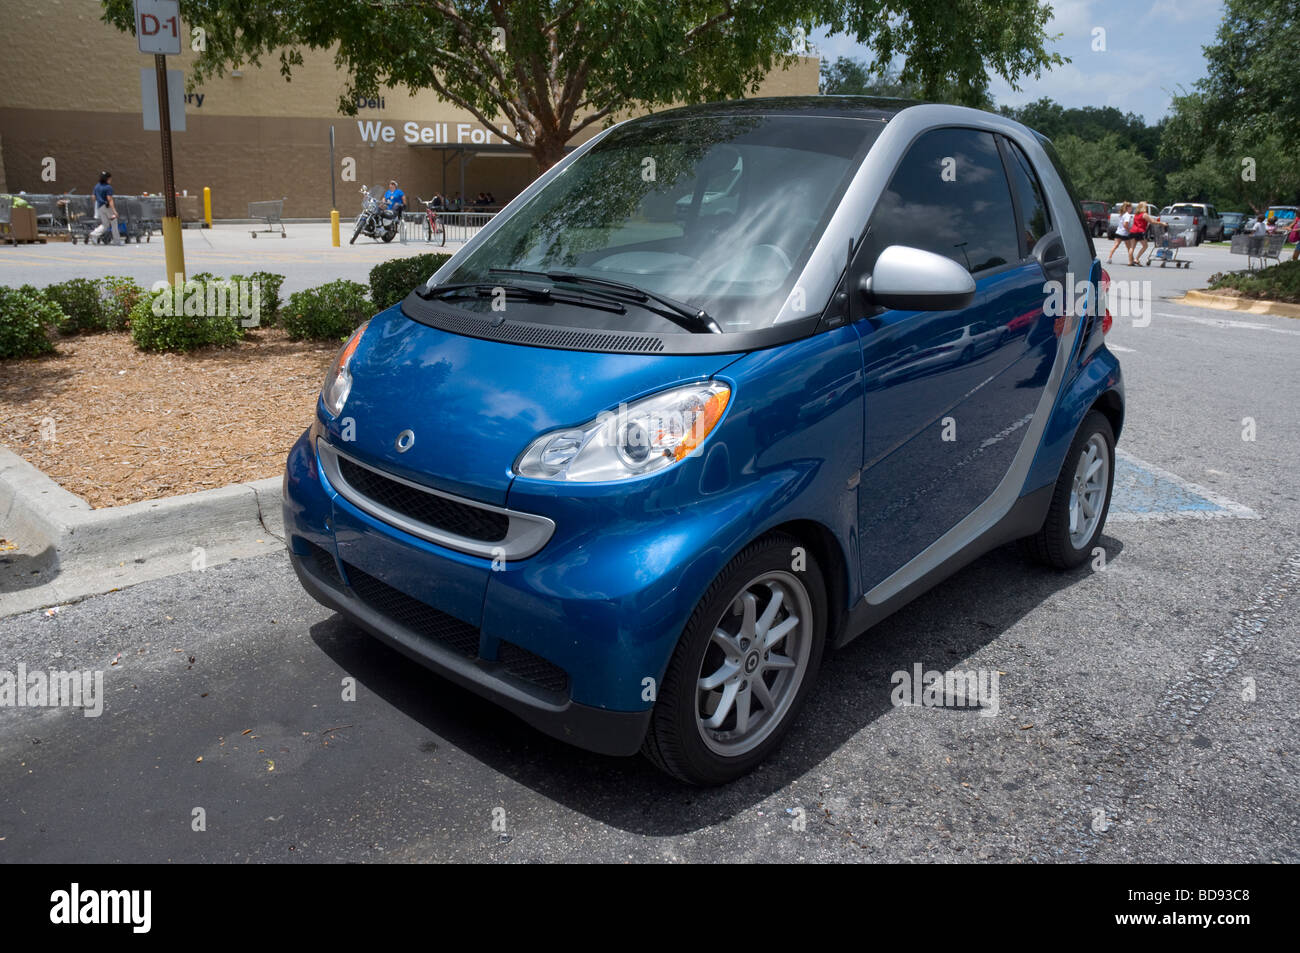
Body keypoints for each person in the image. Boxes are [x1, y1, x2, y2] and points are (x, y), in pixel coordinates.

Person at [89, 171, 122, 246]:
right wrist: (114, 211)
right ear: (107, 179)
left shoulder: (97, 186)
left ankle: (94, 234)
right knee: (114, 224)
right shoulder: (108, 187)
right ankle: (117, 242)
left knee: (105, 224)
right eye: (110, 178)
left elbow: (93, 197)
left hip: (100, 207)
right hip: (107, 207)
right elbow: (109, 199)